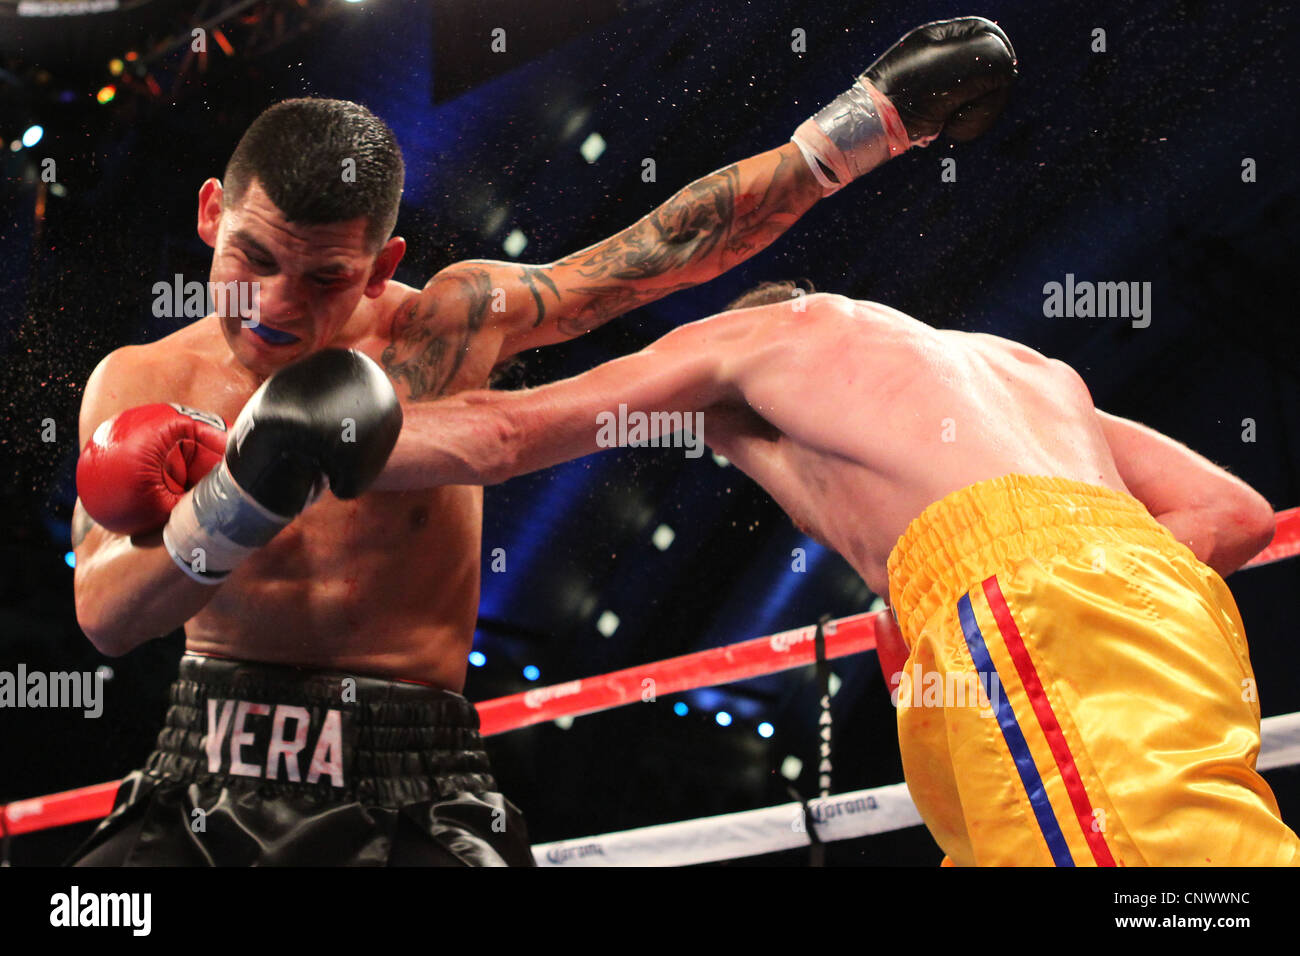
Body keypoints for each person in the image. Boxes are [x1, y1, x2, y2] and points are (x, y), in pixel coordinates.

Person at [69, 19, 1018, 865]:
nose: (274, 307)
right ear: (209, 215)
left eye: (323, 277)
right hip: (203, 762)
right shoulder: (138, 380)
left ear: (382, 265)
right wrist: (243, 489)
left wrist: (870, 124)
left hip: (408, 777)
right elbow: (107, 619)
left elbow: (657, 255)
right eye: (254, 257)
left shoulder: (442, 329)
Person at [374, 284, 1300, 866]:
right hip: (1139, 613)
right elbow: (1235, 517)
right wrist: (1086, 599)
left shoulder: (761, 340)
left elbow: (502, 432)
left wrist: (273, 447)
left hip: (1026, 609)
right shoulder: (1012, 366)